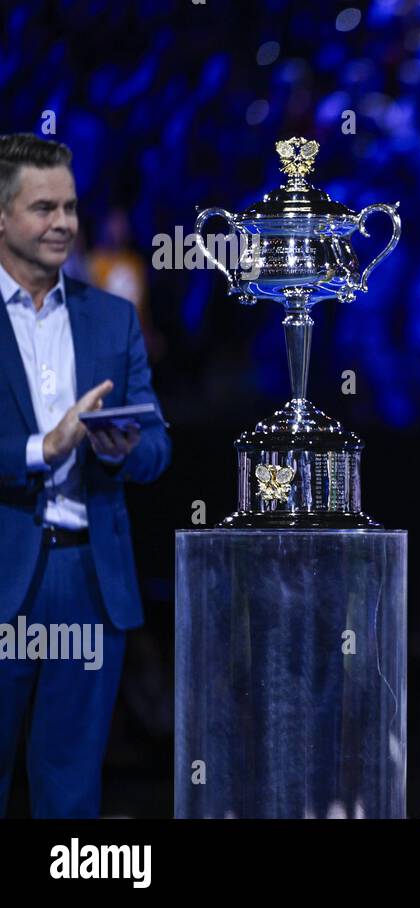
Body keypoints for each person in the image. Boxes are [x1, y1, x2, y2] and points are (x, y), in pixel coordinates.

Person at [0, 134, 171, 817]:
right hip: (6, 572)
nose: (64, 222)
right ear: (2, 217)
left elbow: (158, 448)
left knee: (71, 794)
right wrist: (47, 447)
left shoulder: (112, 317)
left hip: (91, 585)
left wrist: (118, 448)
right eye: (44, 207)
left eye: (70, 206)